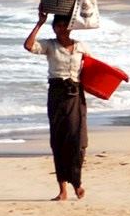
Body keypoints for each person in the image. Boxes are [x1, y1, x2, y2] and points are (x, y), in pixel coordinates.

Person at [23, 12, 89, 201]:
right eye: (57, 26)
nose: (61, 29)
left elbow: (91, 69)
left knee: (78, 141)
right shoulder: (50, 45)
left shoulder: (81, 47)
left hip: (76, 95)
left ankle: (77, 183)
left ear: (70, 27)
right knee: (59, 141)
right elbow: (28, 46)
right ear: (54, 28)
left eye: (65, 25)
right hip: (57, 95)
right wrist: (40, 22)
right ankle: (63, 190)